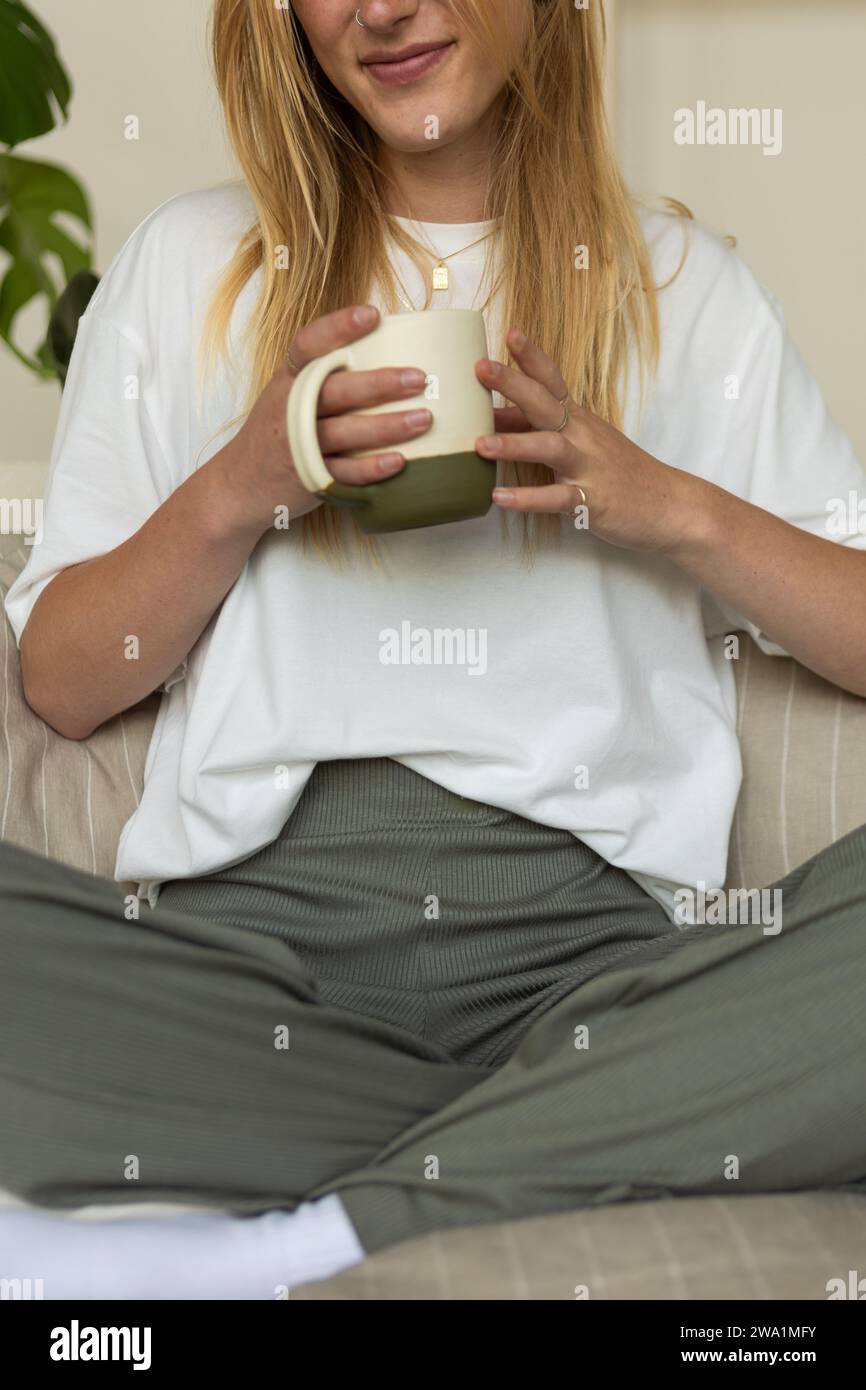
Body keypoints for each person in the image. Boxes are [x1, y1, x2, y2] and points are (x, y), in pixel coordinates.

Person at [2, 0, 866, 1300]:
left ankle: (298, 1237)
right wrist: (245, 483)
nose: (383, 7)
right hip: (251, 977)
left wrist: (660, 503)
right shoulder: (189, 262)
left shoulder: (680, 284)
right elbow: (64, 682)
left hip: (589, 991)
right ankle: (544, 1150)